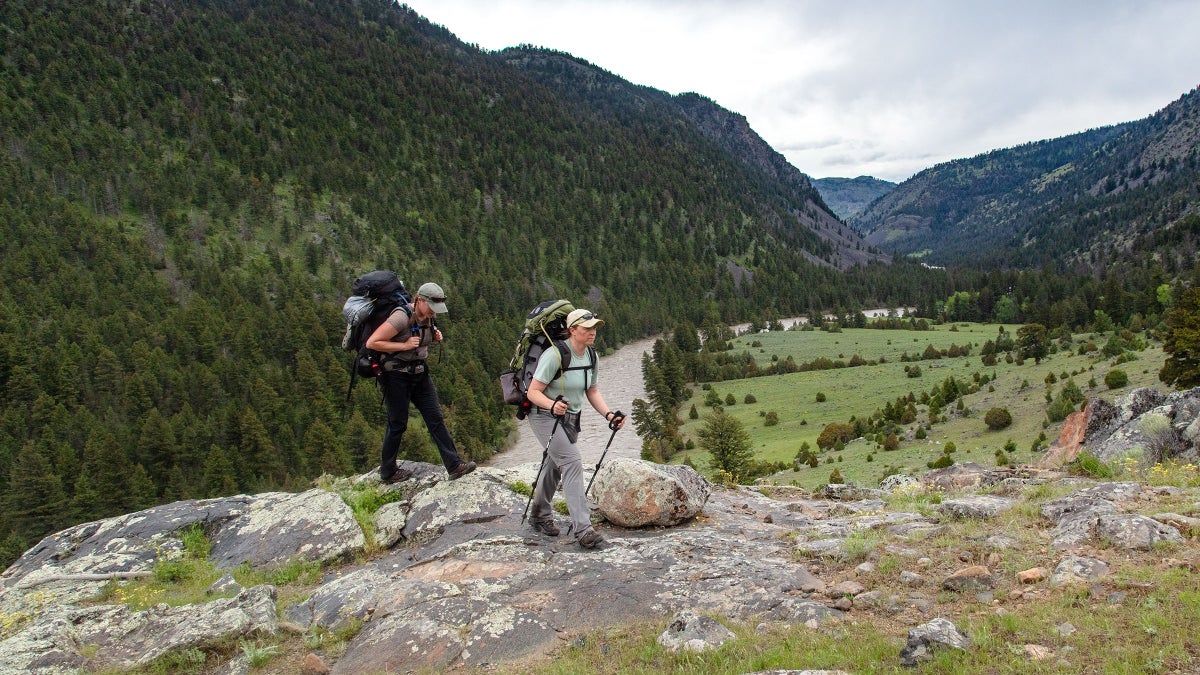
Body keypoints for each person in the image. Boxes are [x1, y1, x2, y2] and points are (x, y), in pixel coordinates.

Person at [524, 308, 625, 549]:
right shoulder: (554, 356)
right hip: (544, 416)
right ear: (572, 330)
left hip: (570, 417)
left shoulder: (591, 356)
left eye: (594, 328)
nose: (592, 332)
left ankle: (539, 515)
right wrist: (553, 405)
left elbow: (592, 390)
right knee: (571, 461)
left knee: (554, 465)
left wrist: (609, 414)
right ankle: (583, 530)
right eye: (587, 328)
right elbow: (532, 392)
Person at [366, 282, 476, 484]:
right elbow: (372, 342)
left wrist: (433, 337)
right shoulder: (401, 317)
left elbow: (419, 338)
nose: (435, 312)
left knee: (435, 418)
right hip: (396, 376)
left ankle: (454, 465)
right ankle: (388, 471)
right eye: (433, 307)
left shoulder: (428, 317)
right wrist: (403, 345)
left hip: (419, 373)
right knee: (397, 423)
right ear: (421, 301)